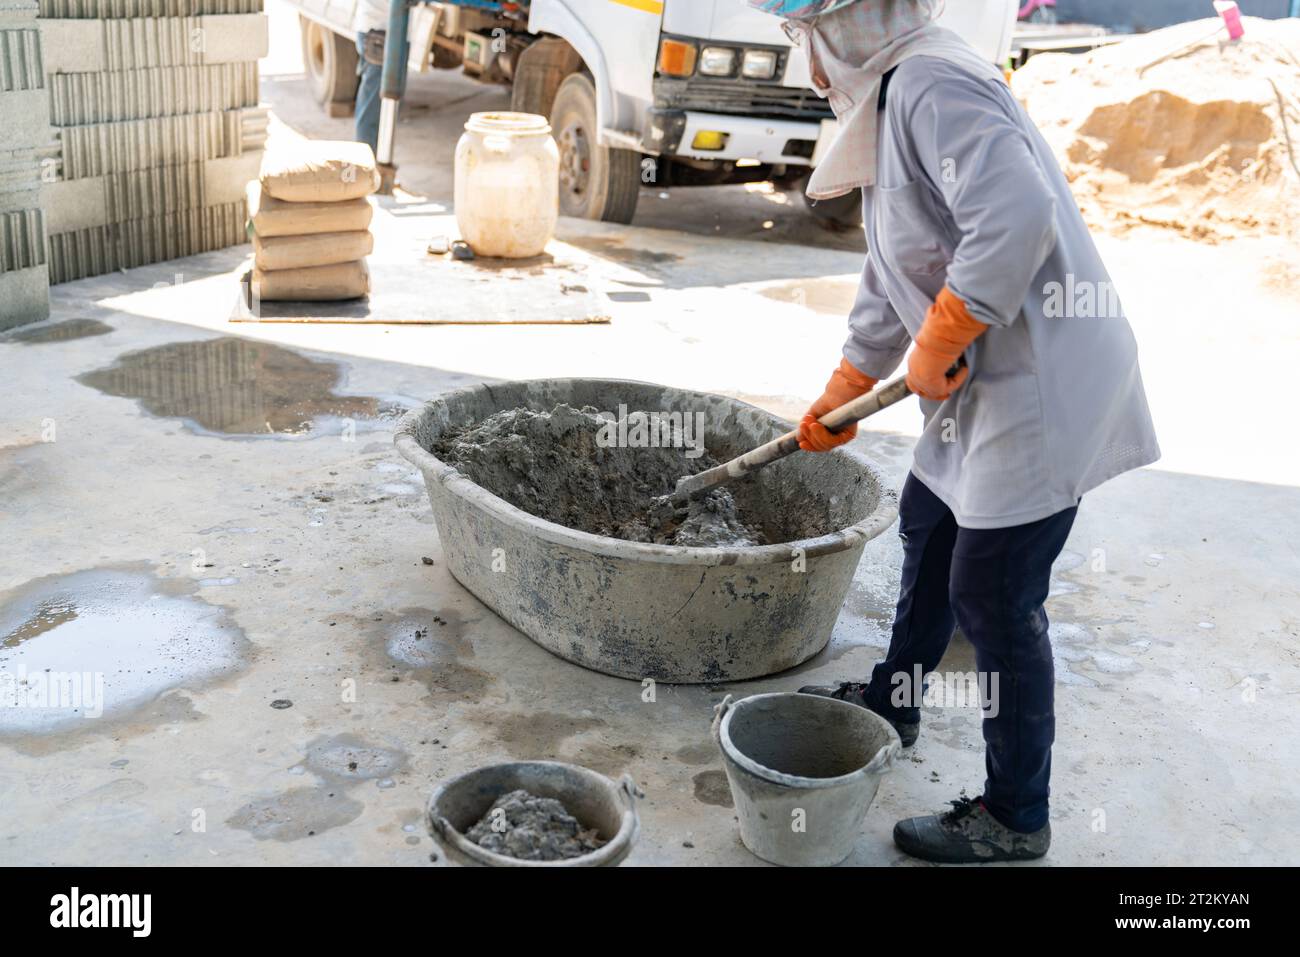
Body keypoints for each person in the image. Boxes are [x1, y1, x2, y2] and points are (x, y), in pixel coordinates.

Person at [748, 0, 1160, 862]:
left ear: (848, 26)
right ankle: (895, 702)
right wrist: (851, 378)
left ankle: (1016, 815)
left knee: (996, 594)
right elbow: (896, 258)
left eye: (807, 41)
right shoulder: (897, 90)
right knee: (928, 526)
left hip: (1038, 378)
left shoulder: (934, 82)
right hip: (985, 375)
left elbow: (1016, 214)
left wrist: (945, 329)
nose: (809, 67)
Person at [353, 0, 390, 153]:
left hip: (381, 28)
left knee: (381, 108)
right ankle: (366, 165)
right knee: (371, 109)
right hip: (378, 31)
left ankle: (373, 165)